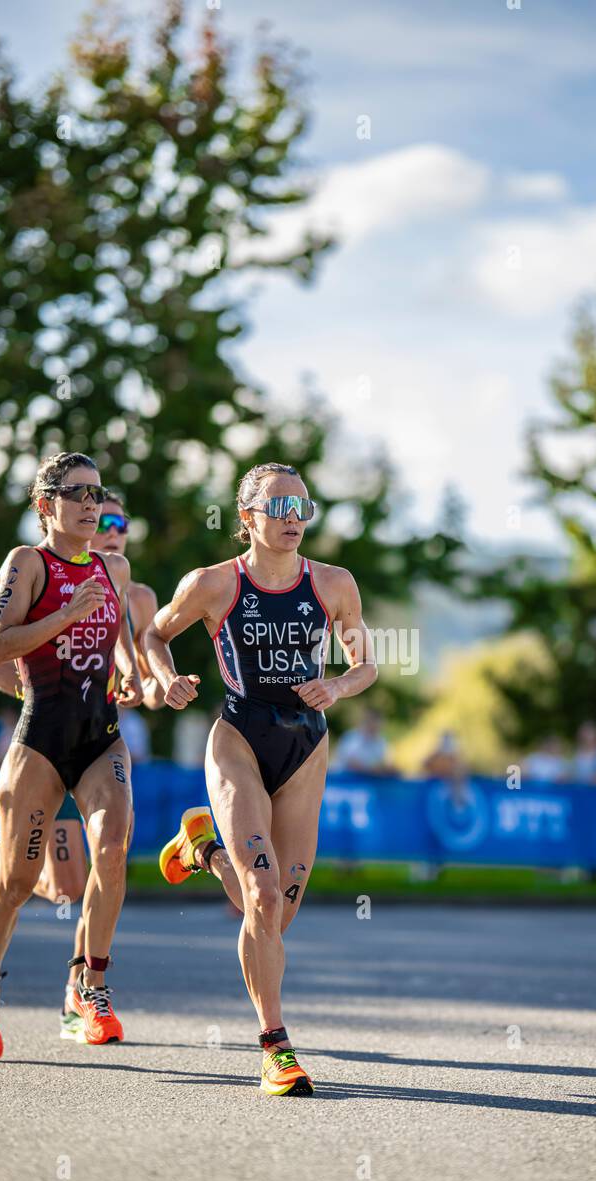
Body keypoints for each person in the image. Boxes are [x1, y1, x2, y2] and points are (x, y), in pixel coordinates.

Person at [145, 462, 377, 1096]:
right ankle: (276, 1046)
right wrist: (165, 679)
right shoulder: (213, 585)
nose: (292, 519)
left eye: (302, 507)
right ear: (245, 518)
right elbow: (153, 633)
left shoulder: (334, 584)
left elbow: (366, 664)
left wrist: (338, 683)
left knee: (276, 915)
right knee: (264, 897)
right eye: (278, 508)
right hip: (239, 740)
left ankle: (204, 848)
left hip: (305, 747)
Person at [0, 452, 142, 1061]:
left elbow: (121, 640)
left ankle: (92, 986)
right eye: (79, 494)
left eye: (98, 495)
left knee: (112, 848)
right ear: (47, 505)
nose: (92, 506)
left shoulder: (114, 568)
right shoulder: (28, 563)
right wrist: (64, 616)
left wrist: (140, 679)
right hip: (41, 739)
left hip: (100, 736)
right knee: (16, 884)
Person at [333, 708, 394, 774]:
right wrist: (372, 769)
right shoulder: (352, 738)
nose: (375, 725)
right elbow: (351, 762)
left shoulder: (381, 742)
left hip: (368, 781)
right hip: (343, 780)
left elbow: (387, 764)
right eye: (372, 721)